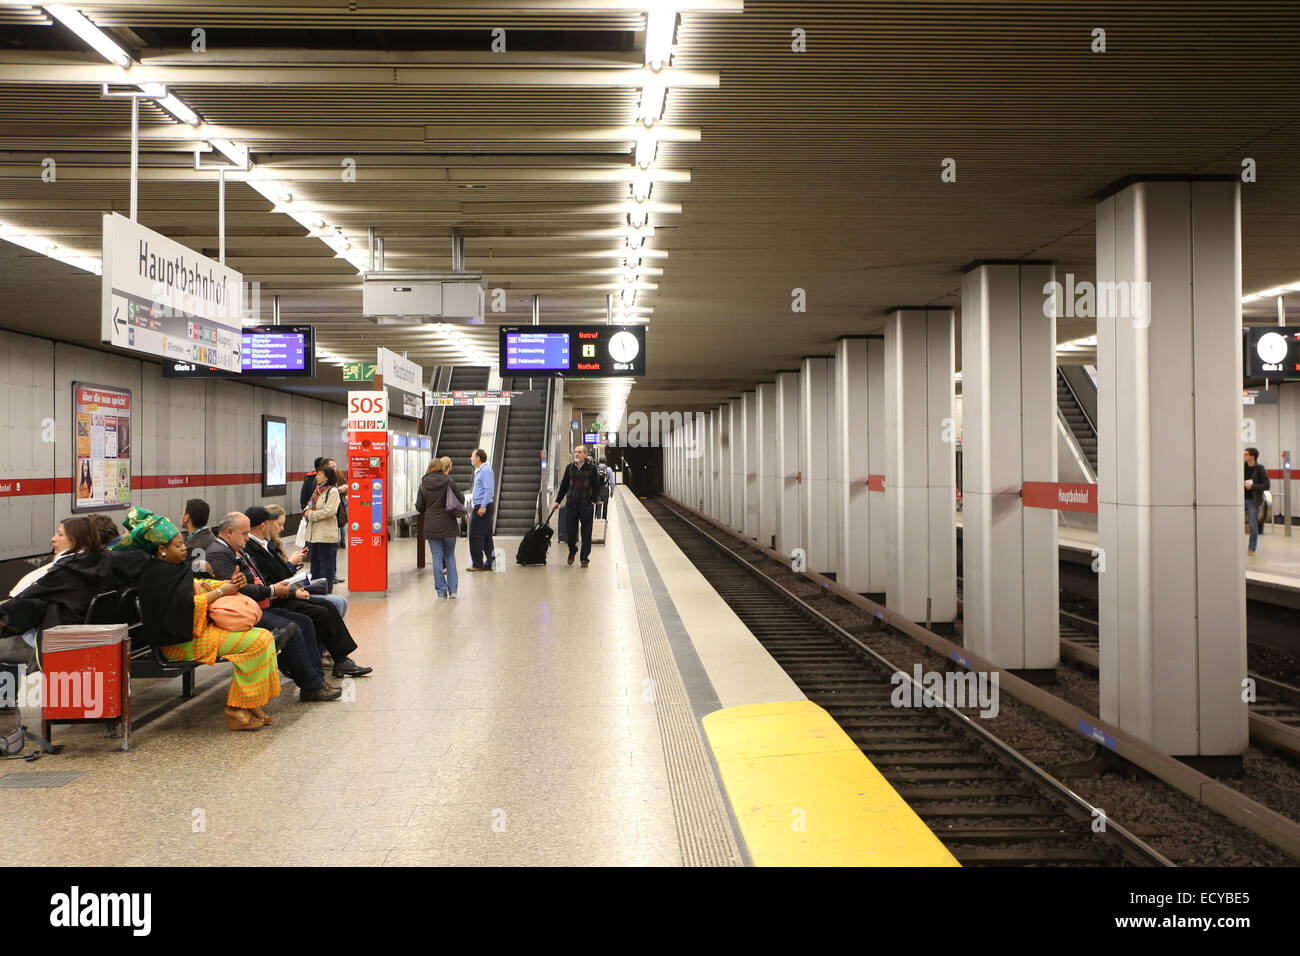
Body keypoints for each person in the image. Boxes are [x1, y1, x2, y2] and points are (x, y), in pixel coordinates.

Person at [113, 506, 286, 732]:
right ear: (161, 550)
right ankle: (236, 709)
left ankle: (251, 702)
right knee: (256, 643)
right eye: (178, 545)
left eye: (182, 543)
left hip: (191, 632)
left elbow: (196, 587)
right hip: (177, 643)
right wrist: (221, 591)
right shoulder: (156, 576)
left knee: (264, 637)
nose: (184, 548)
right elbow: (185, 606)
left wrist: (226, 584)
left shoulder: (171, 568)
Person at [210, 511, 369, 681]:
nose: (247, 538)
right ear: (229, 532)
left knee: (325, 607)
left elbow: (258, 581)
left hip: (265, 599)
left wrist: (282, 588)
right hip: (256, 606)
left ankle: (327, 669)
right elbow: (240, 587)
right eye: (244, 534)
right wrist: (278, 590)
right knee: (307, 620)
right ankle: (313, 677)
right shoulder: (225, 552)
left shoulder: (242, 548)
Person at [246, 506, 348, 619]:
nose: (282, 528)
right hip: (282, 594)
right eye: (279, 524)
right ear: (266, 525)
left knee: (336, 603)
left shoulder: (270, 545)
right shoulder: (259, 548)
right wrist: (291, 565)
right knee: (332, 604)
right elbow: (273, 578)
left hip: (288, 590)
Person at [415, 457, 465, 598]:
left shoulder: (423, 485)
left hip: (432, 526)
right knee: (450, 556)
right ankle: (453, 590)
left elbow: (419, 507)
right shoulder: (449, 481)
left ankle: (441, 592)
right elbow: (461, 499)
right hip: (448, 524)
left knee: (437, 557)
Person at [552, 444, 599, 567]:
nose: (577, 454)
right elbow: (564, 486)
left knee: (586, 533)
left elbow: (596, 486)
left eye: (579, 452)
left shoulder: (592, 468)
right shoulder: (569, 468)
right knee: (571, 533)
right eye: (575, 452)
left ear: (585, 454)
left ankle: (584, 558)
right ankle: (572, 550)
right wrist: (557, 501)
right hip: (571, 505)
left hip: (586, 506)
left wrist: (593, 500)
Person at [303, 464, 342, 592]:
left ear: (327, 476)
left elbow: (329, 511)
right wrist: (306, 510)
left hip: (326, 534)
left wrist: (311, 514)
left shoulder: (332, 491)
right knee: (314, 561)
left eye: (319, 474)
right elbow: (309, 504)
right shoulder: (317, 490)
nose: (317, 477)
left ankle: (326, 588)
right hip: (313, 533)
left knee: (326, 562)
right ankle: (315, 586)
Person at [467, 447, 496, 571]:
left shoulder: (486, 471)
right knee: (486, 536)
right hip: (482, 505)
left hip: (483, 506)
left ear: (478, 458)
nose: (471, 458)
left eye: (473, 456)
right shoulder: (480, 471)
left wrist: (483, 506)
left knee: (475, 535)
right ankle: (491, 563)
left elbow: (489, 490)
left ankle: (477, 564)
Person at [1245, 447, 1271, 556]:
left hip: (1252, 500)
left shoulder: (1259, 469)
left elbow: (1266, 485)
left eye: (1246, 454)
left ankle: (1252, 548)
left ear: (1253, 456)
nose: (1244, 456)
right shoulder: (1242, 467)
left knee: (1253, 525)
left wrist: (1252, 486)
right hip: (1240, 500)